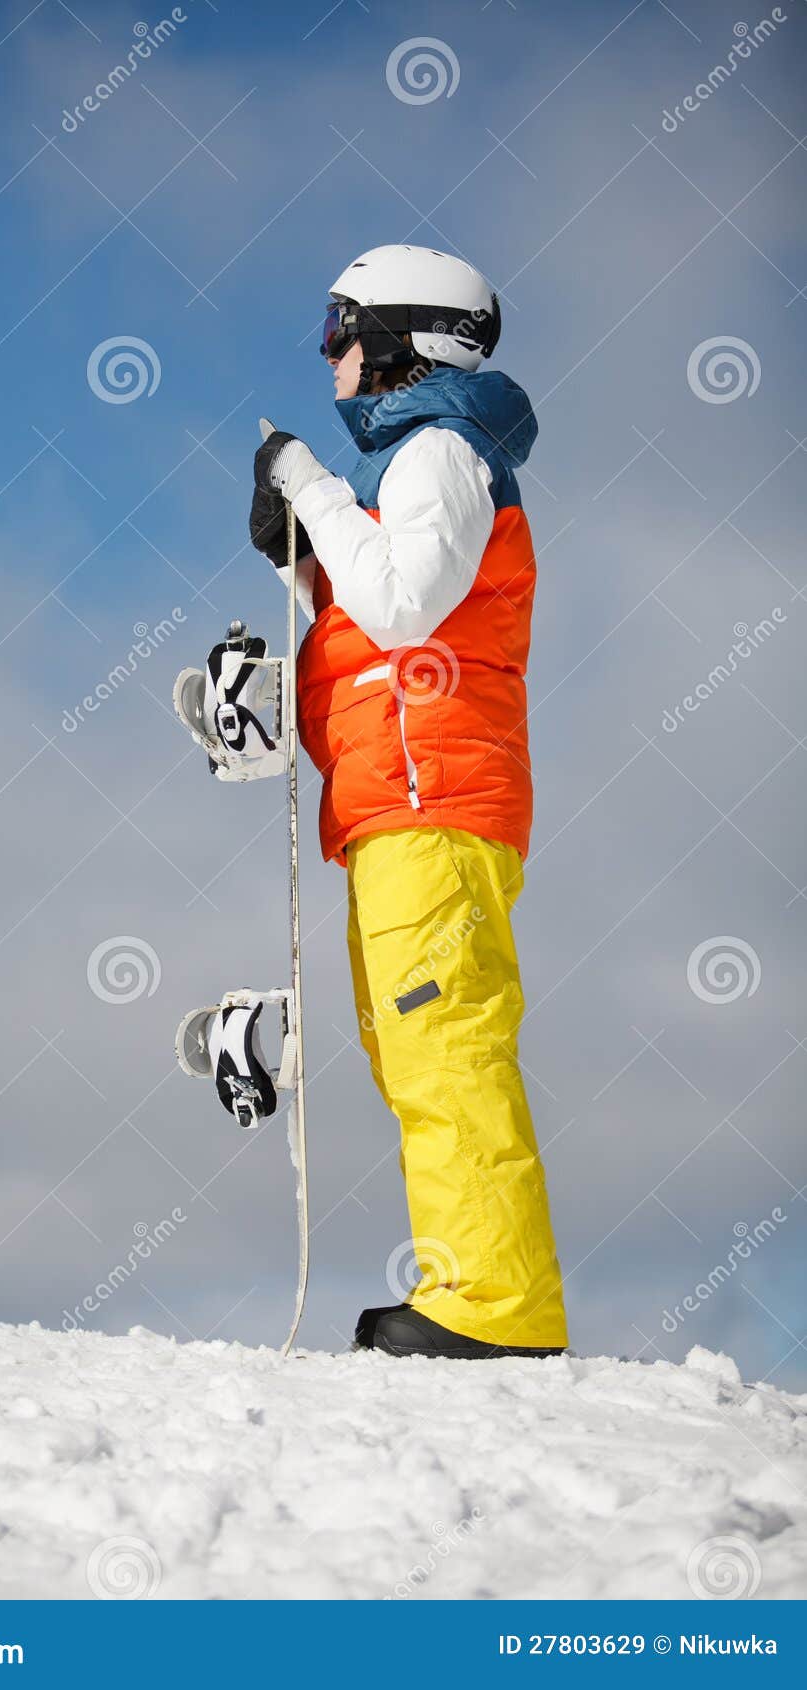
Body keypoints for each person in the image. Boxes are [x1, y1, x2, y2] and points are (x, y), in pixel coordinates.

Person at [249, 244, 568, 1360]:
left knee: (445, 1048)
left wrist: (311, 489)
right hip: (398, 804)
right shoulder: (418, 464)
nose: (326, 350)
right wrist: (303, 562)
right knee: (410, 1050)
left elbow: (400, 609)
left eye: (338, 326)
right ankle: (475, 1290)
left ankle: (491, 1309)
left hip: (433, 799)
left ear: (395, 337)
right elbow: (378, 615)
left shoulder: (437, 452)